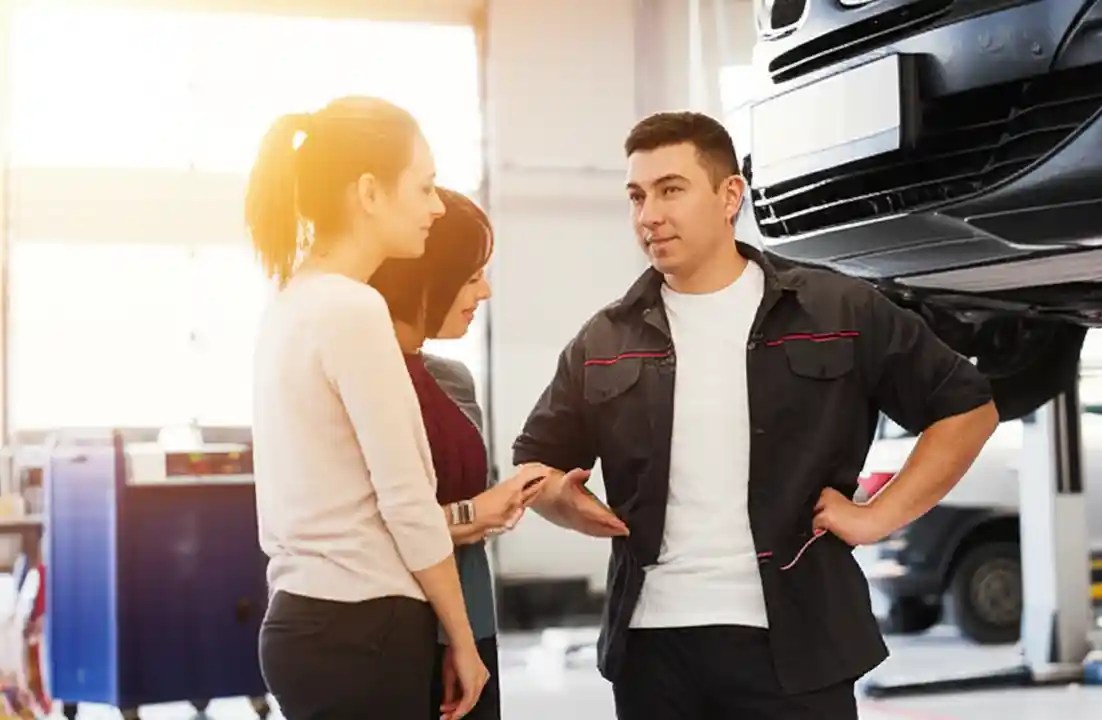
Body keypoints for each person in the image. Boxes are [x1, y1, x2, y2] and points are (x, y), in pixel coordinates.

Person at [513, 111, 1000, 719]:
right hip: (651, 648)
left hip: (795, 643)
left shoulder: (836, 309)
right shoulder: (607, 335)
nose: (649, 215)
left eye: (671, 189)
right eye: (637, 196)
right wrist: (563, 501)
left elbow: (967, 408)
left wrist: (880, 517)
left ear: (729, 196)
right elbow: (535, 461)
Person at [245, 96, 498, 720]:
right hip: (366, 627)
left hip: (300, 621)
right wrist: (463, 641)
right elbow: (407, 501)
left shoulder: (289, 301)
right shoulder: (355, 311)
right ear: (368, 193)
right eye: (425, 186)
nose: (436, 208)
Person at [368, 187, 542, 720]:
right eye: (470, 277)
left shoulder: (453, 381)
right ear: (423, 279)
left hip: (471, 628)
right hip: (394, 634)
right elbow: (369, 531)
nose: (485, 291)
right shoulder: (363, 378)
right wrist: (471, 515)